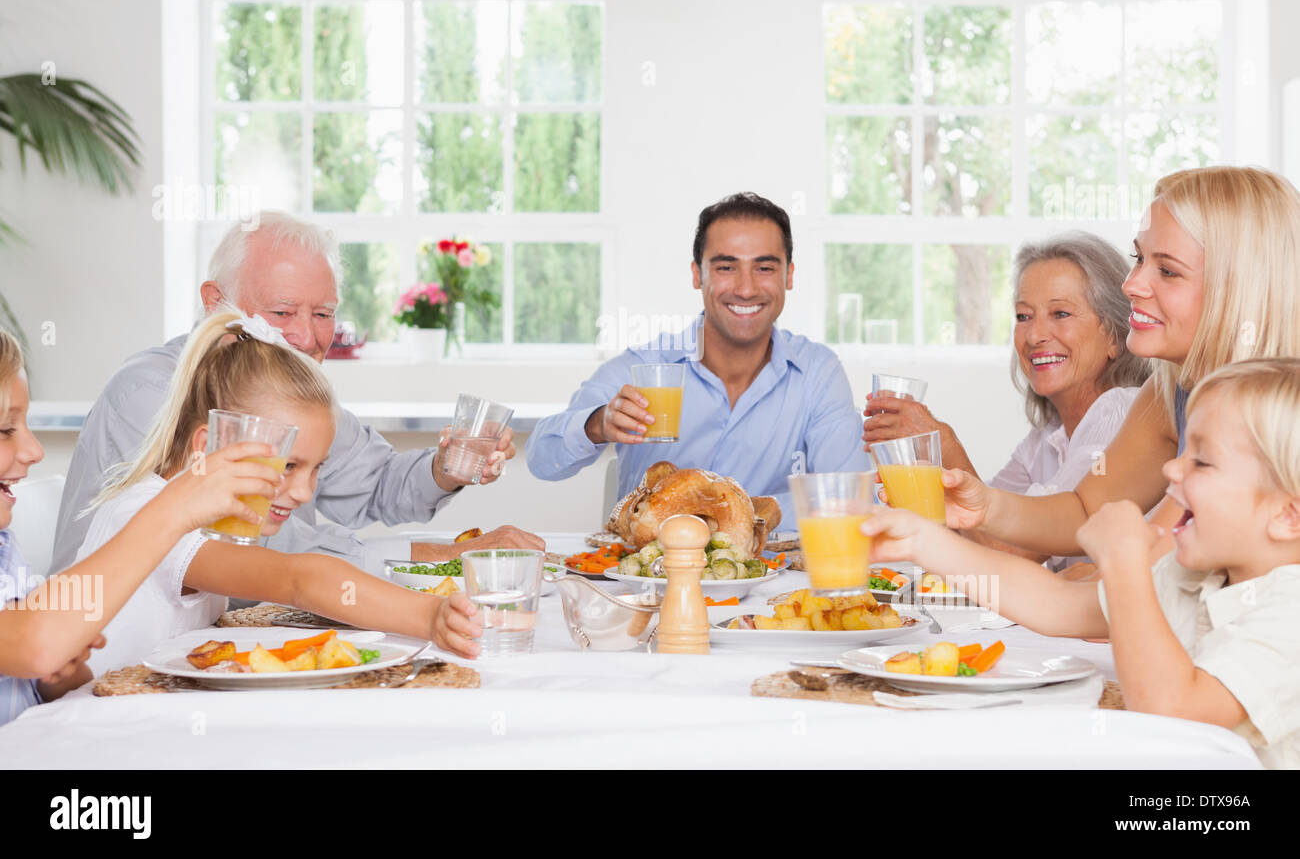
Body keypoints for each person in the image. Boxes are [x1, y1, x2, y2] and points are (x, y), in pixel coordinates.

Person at [862, 358, 1300, 769]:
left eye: (1201, 461)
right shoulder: (1195, 576)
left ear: (1286, 515)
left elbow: (1174, 709)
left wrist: (1125, 563)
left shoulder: (1289, 615)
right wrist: (923, 541)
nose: (1171, 469)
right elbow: (1054, 604)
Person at [54, 213, 541, 575]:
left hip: (232, 630)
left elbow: (374, 486)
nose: (307, 339)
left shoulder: (287, 390)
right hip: (104, 658)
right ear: (213, 302)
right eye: (283, 313)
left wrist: (445, 466)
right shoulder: (151, 392)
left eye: (324, 313)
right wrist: (441, 557)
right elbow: (268, 552)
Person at [76, 308, 486, 674]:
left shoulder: (213, 524)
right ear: (208, 447)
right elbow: (299, 580)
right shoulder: (150, 517)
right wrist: (430, 616)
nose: (305, 493)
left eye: (315, 468)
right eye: (287, 465)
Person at [937, 166, 1300, 560]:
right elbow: (1086, 511)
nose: (1131, 284)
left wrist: (1096, 582)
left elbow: (1149, 566)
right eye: (1139, 258)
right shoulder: (1168, 391)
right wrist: (985, 506)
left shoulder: (1269, 415)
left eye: (1167, 270)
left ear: (1238, 289)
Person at [527, 192, 871, 522]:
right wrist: (596, 425)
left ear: (789, 276)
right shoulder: (643, 368)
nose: (746, 288)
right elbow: (542, 459)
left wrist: (717, 514)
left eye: (764, 268)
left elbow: (848, 500)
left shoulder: (817, 372)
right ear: (697, 275)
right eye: (726, 267)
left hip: (775, 580)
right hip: (652, 578)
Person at [0, 328, 286, 724]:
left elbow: (47, 676)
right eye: (5, 430)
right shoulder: (143, 507)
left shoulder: (4, 549)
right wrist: (174, 509)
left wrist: (59, 672)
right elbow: (34, 644)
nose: (35, 451)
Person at [862, 232, 1150, 569]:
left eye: (1060, 314)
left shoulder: (1119, 414)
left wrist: (943, 444)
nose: (1034, 335)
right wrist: (921, 470)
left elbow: (1011, 551)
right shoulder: (1045, 438)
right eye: (1024, 316)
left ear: (1116, 336)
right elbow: (976, 533)